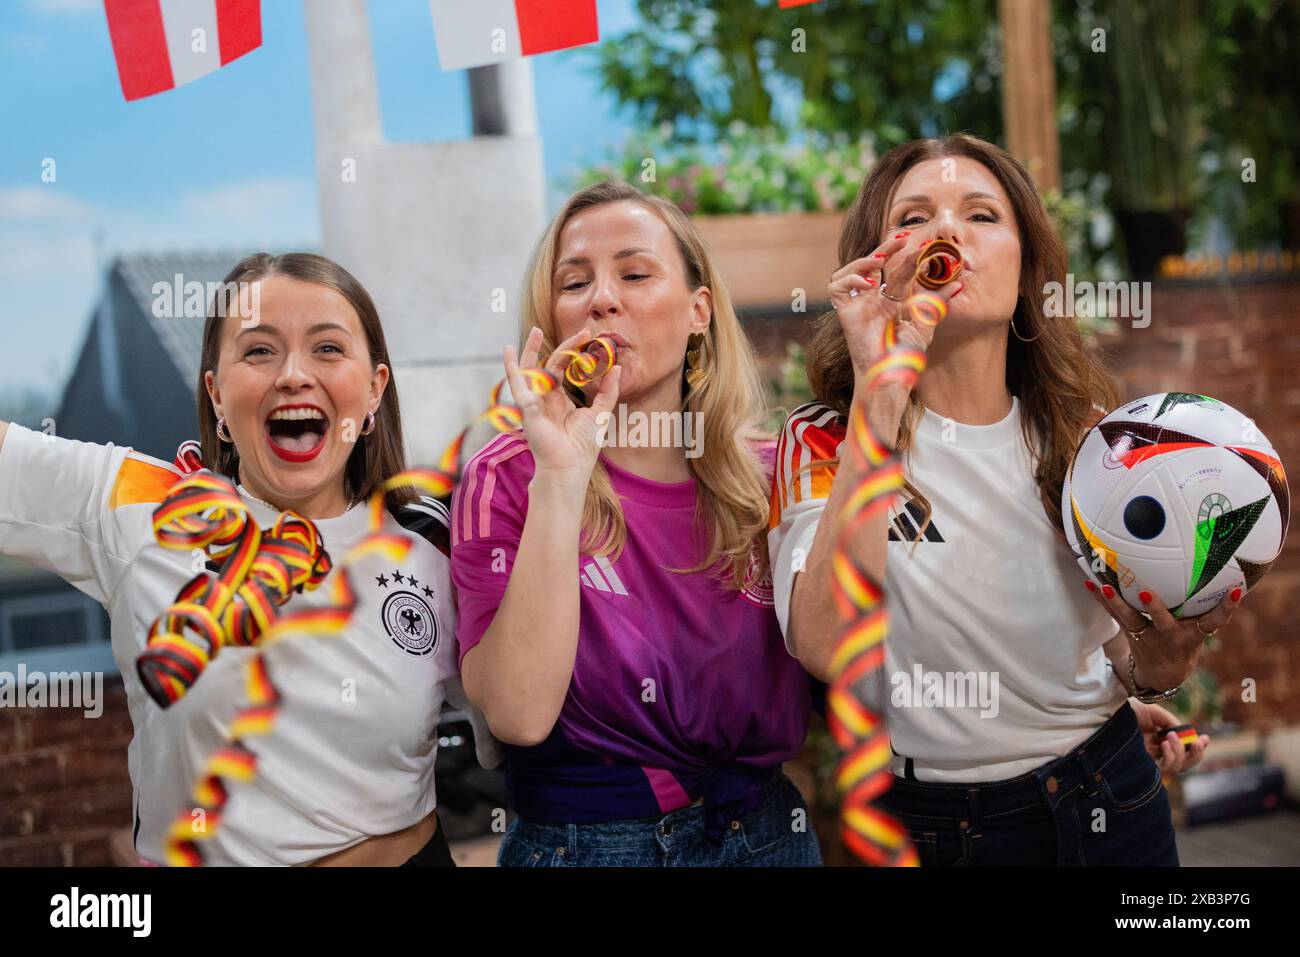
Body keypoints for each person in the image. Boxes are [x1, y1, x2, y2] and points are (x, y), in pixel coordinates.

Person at [769, 134, 1239, 867]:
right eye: (915, 216)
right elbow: (828, 645)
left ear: (1025, 272)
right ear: (874, 264)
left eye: (981, 215)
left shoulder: (1088, 441)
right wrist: (880, 390)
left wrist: (1162, 662)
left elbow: (1118, 654)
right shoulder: (825, 439)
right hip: (940, 828)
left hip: (1111, 791)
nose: (947, 232)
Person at [0, 252, 497, 866]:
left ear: (374, 391)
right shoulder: (144, 506)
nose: (293, 374)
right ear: (215, 393)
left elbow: (522, 715)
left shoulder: (436, 542)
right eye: (259, 350)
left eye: (327, 348)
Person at [450, 182, 819, 867]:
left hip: (767, 833)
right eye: (574, 282)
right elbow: (518, 713)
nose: (601, 299)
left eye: (635, 273)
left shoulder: (775, 477)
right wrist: (560, 476)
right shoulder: (507, 474)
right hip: (588, 845)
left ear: (699, 310)